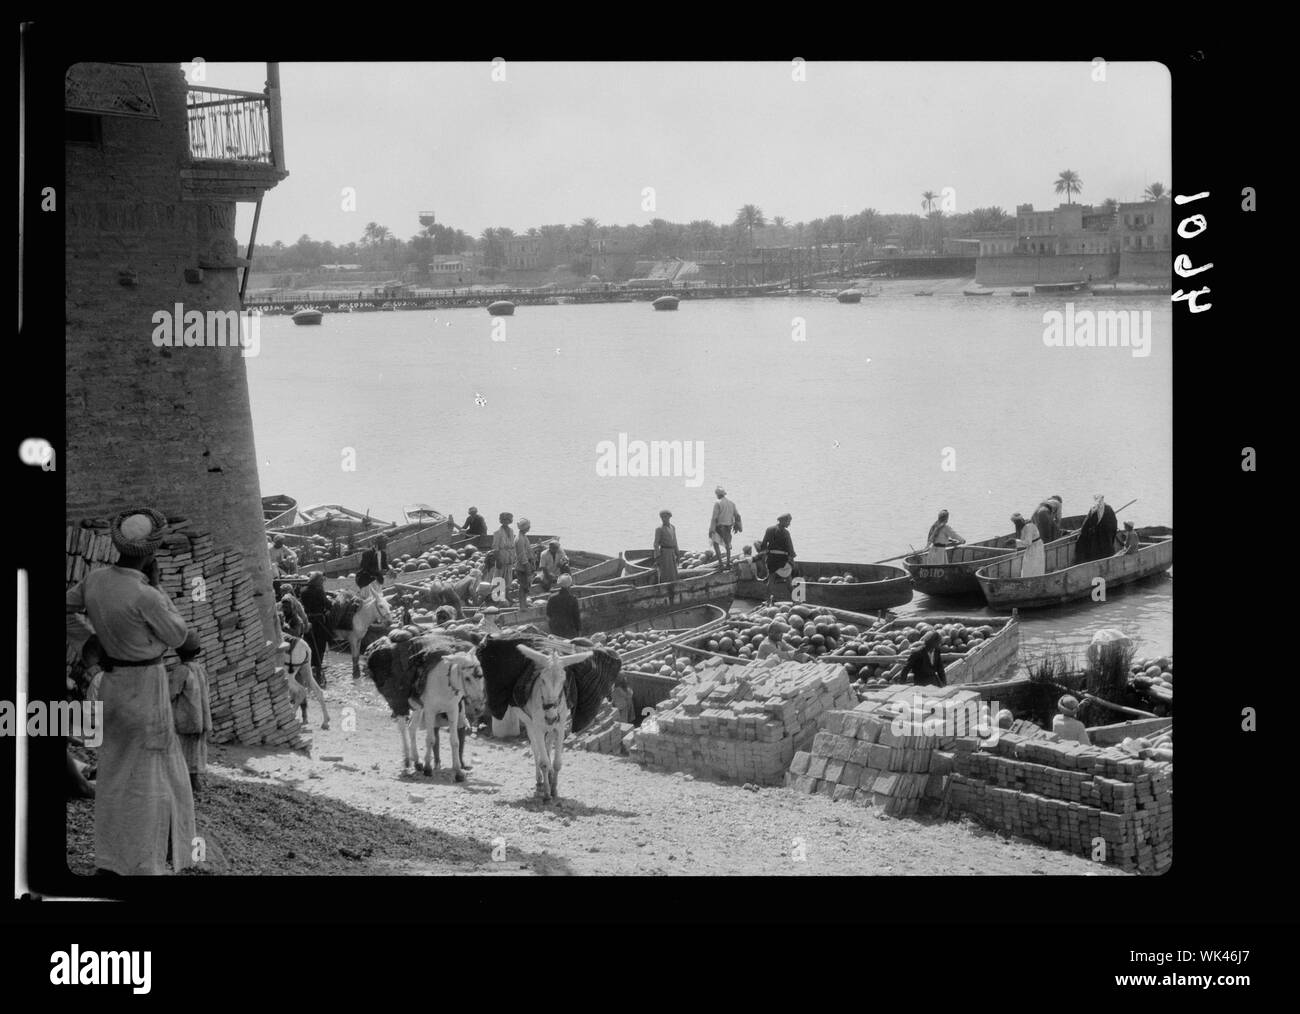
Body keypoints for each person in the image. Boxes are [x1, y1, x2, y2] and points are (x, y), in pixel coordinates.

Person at [64, 507, 196, 875]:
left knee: (113, 772)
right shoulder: (146, 595)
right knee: (148, 778)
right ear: (151, 554)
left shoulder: (95, 580)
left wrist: (89, 640)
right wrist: (156, 588)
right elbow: (178, 636)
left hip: (112, 685)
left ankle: (108, 858)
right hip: (146, 688)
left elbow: (65, 607)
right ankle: (143, 863)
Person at [168, 631, 213, 798]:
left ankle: (187, 784)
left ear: (177, 651)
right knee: (195, 752)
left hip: (186, 718)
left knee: (182, 751)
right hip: (201, 718)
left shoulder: (181, 671)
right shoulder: (201, 669)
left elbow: (171, 694)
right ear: (198, 651)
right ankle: (194, 781)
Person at [300, 571, 333, 687]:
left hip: (308, 621)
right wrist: (330, 603)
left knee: (309, 645)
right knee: (320, 646)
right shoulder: (319, 591)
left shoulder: (303, 590)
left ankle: (308, 668)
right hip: (319, 622)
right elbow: (327, 604)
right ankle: (318, 670)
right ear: (319, 581)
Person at [356, 535, 393, 622]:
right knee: (369, 601)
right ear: (378, 544)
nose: (386, 545)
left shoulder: (383, 554)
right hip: (367, 580)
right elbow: (364, 568)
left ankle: (378, 618)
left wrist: (390, 570)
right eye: (384, 543)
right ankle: (366, 620)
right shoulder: (367, 553)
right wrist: (378, 572)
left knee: (379, 601)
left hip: (377, 580)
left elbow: (384, 565)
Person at [759, 514, 795, 603]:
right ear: (783, 521)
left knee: (770, 581)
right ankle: (795, 600)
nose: (789, 524)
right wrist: (792, 560)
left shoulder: (769, 529)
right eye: (788, 521)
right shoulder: (786, 533)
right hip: (782, 560)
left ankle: (768, 601)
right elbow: (790, 549)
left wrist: (766, 554)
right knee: (788, 581)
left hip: (771, 559)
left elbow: (763, 545)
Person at [1074, 494, 1118, 564]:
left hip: (1097, 535)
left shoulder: (1093, 509)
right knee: (1107, 549)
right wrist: (1113, 533)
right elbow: (1114, 523)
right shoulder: (1109, 509)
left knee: (1096, 550)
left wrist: (1082, 532)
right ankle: (1108, 561)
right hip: (1107, 535)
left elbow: (1087, 523)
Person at [709, 486, 742, 568]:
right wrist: (738, 526)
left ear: (718, 495)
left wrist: (711, 529)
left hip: (719, 527)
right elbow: (737, 516)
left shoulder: (718, 503)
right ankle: (728, 563)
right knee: (727, 545)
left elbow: (714, 518)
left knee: (715, 544)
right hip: (728, 527)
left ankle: (720, 563)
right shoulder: (731, 503)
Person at [545, 573, 582, 638]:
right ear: (569, 586)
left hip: (556, 631)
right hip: (569, 632)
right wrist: (579, 632)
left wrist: (552, 628)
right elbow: (576, 618)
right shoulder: (573, 599)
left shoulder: (552, 598)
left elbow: (548, 615)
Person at [1011, 511, 1045, 578]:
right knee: (1029, 565)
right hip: (1032, 547)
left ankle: (1034, 579)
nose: (1015, 524)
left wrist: (1015, 541)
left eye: (1016, 522)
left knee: (1034, 565)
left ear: (1020, 521)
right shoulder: (1022, 527)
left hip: (1036, 547)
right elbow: (1023, 540)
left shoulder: (1028, 526)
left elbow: (1028, 542)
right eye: (1014, 523)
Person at [489, 513, 516, 593]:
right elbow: (495, 548)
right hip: (501, 556)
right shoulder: (497, 532)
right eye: (504, 520)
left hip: (509, 557)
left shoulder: (511, 531)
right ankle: (496, 596)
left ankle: (506, 594)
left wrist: (514, 557)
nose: (505, 521)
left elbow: (512, 545)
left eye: (507, 520)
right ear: (501, 521)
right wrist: (498, 560)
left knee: (508, 577)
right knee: (498, 577)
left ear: (510, 521)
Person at [513, 518, 536, 607]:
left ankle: (524, 603)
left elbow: (527, 550)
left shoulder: (523, 536)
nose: (529, 528)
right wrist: (528, 568)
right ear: (525, 528)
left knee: (525, 586)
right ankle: (522, 606)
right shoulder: (520, 539)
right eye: (528, 526)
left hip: (525, 565)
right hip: (522, 567)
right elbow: (522, 556)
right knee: (523, 587)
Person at [653, 510, 679, 583]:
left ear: (669, 517)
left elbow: (675, 542)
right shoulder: (659, 529)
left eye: (665, 517)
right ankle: (664, 585)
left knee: (673, 571)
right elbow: (656, 544)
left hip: (672, 552)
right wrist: (657, 557)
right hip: (664, 552)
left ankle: (673, 584)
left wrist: (677, 553)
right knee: (665, 571)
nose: (663, 519)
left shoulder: (673, 527)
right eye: (662, 517)